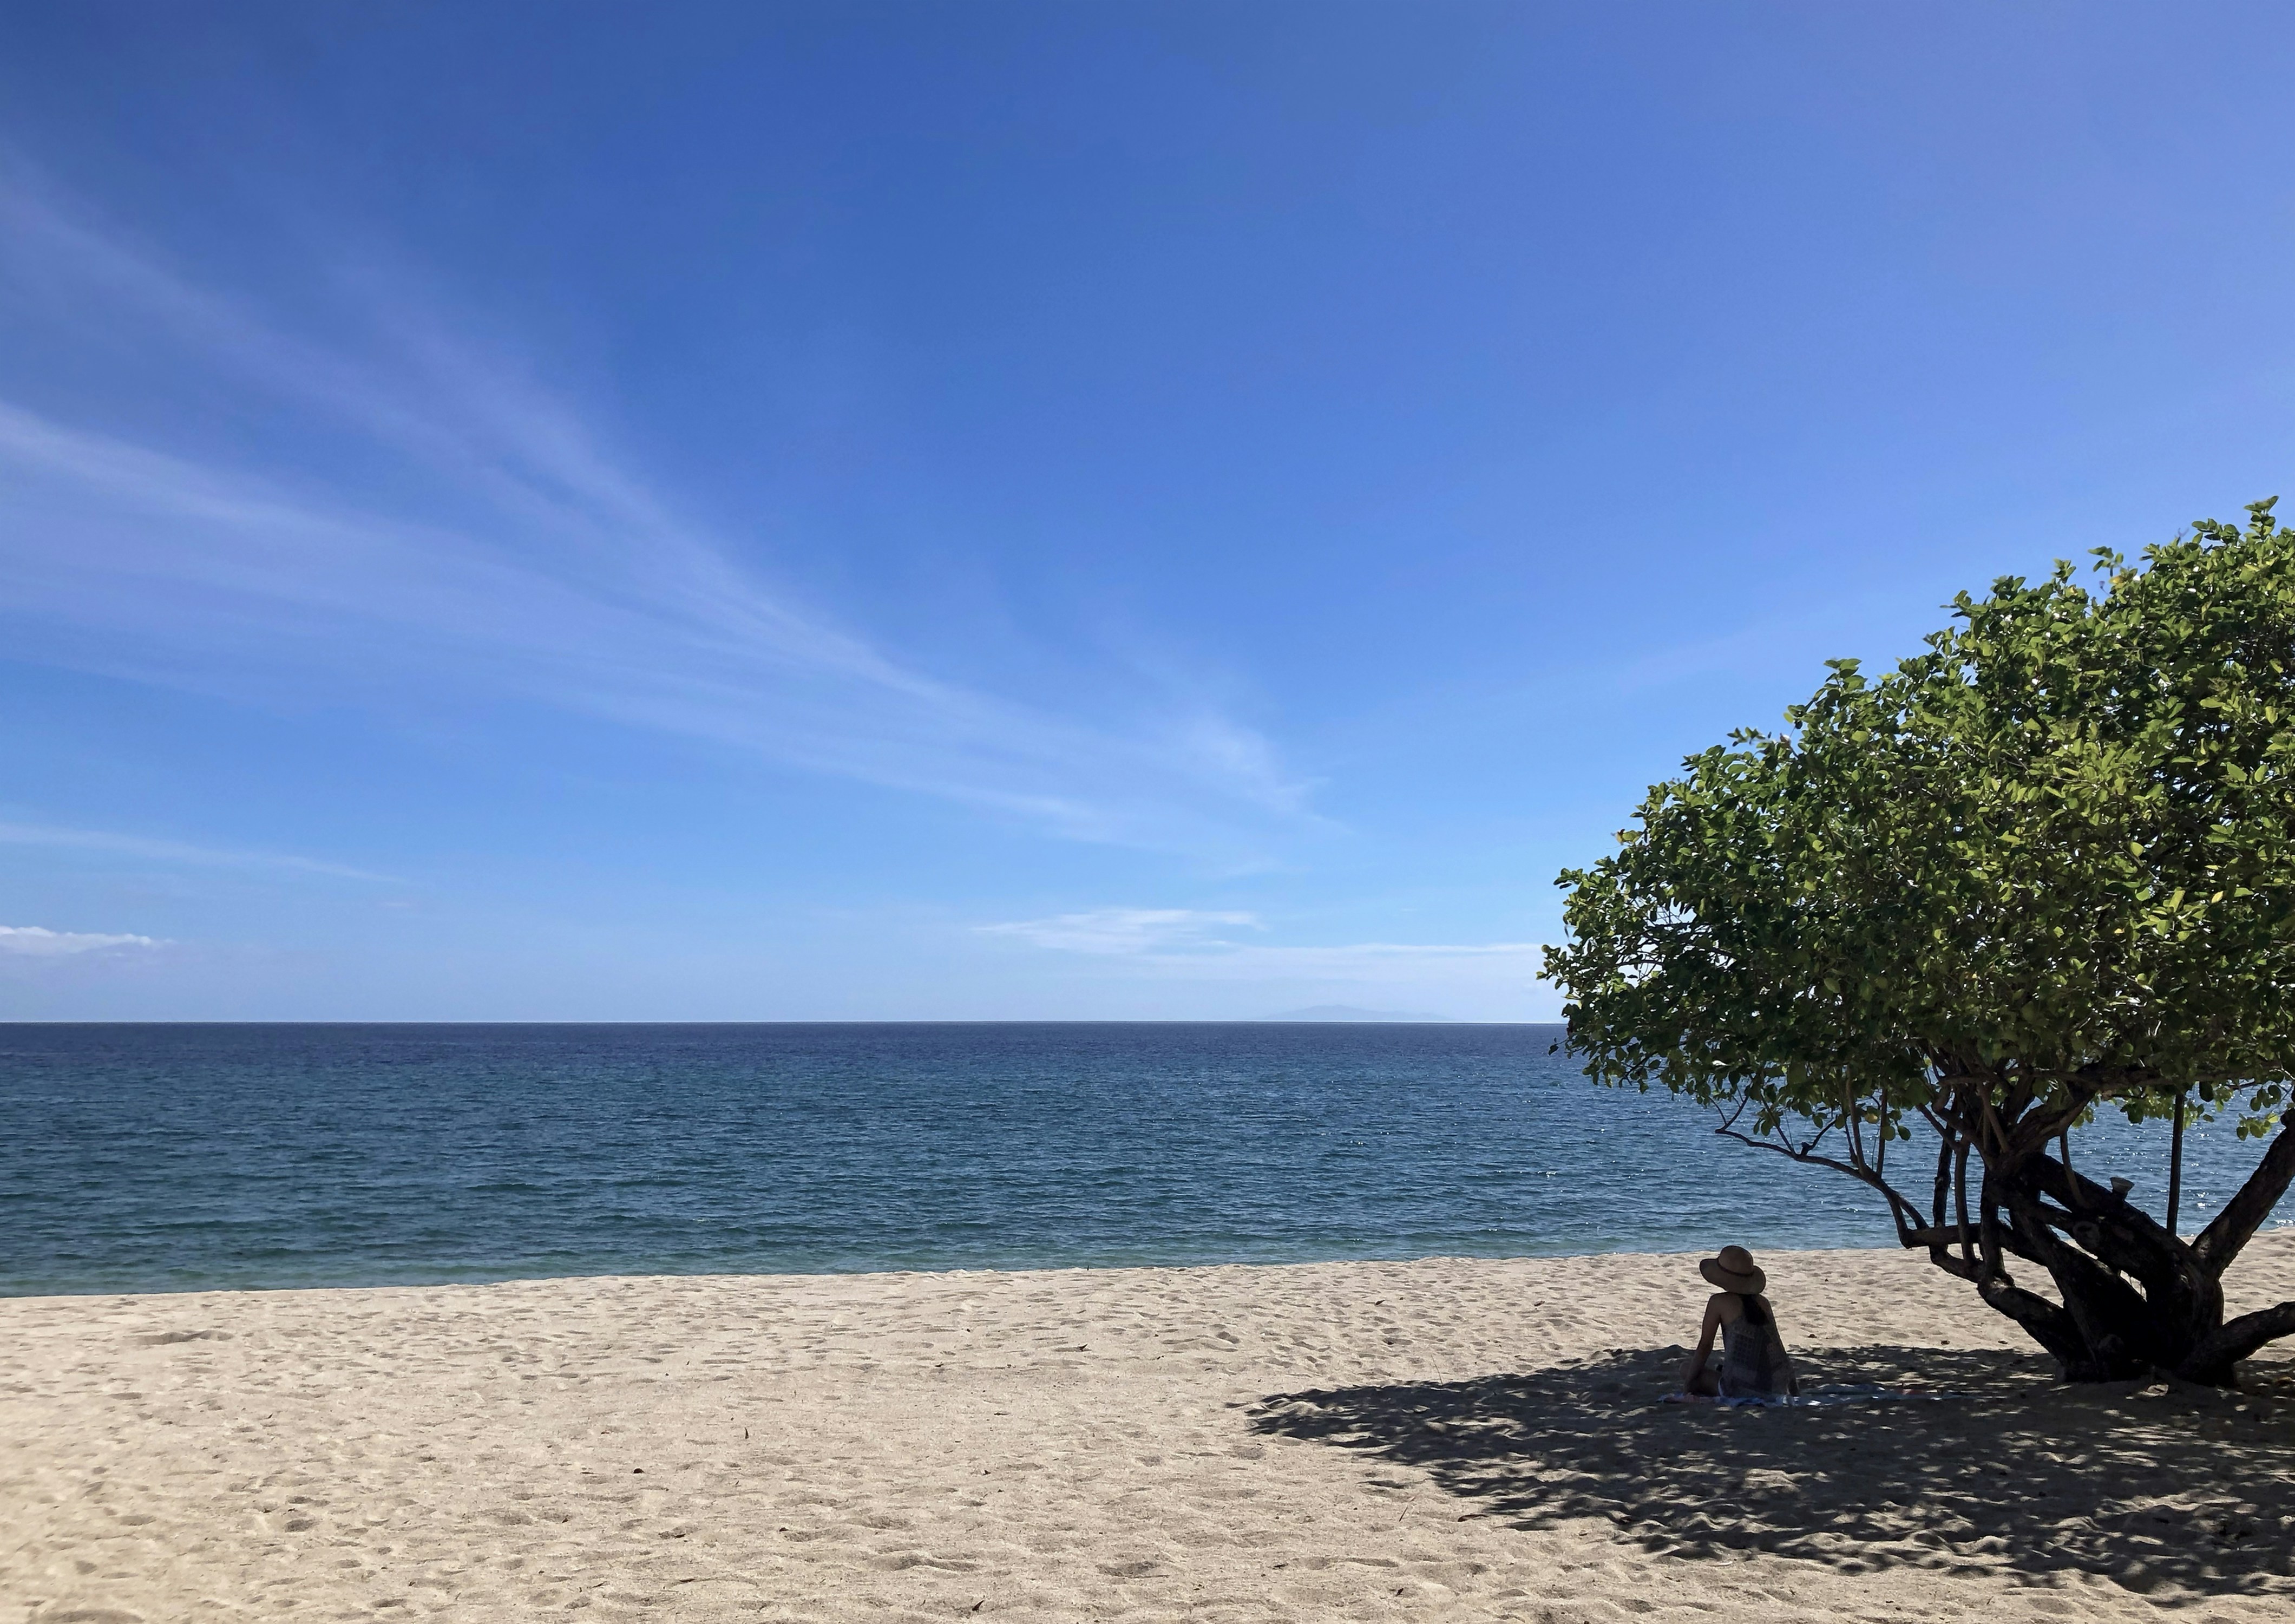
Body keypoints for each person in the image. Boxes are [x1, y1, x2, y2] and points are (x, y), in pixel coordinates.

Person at [1680, 1245, 1799, 1398]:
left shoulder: (1719, 1302)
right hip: (1781, 1383)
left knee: (1686, 1369)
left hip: (1742, 1387)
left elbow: (1705, 1346)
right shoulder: (1763, 1302)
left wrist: (1688, 1385)